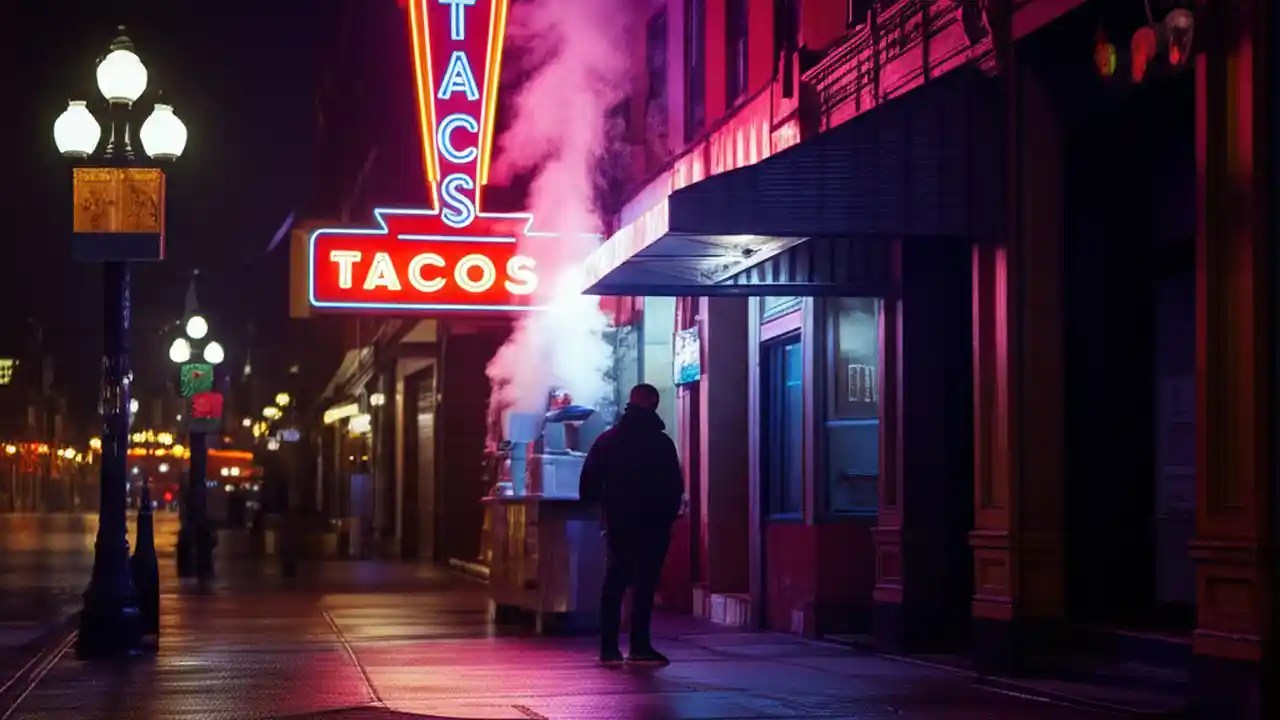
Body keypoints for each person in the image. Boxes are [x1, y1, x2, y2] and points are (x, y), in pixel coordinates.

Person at [579, 383, 684, 665]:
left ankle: (609, 648)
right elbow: (674, 486)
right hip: (654, 525)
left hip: (619, 522)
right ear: (653, 404)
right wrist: (667, 516)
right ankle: (640, 645)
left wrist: (605, 505)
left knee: (614, 582)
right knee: (645, 585)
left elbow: (587, 487)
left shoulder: (607, 440)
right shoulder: (662, 444)